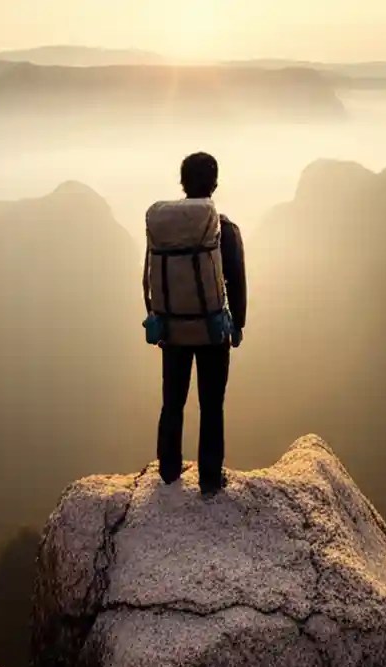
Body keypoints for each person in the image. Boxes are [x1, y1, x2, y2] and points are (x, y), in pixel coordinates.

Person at [142, 152, 247, 497]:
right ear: (214, 184)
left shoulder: (164, 229)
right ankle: (209, 480)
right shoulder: (224, 229)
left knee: (172, 401)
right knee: (211, 404)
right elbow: (236, 280)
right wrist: (238, 326)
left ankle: (169, 471)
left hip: (173, 329)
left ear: (182, 183)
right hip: (211, 330)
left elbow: (151, 276)